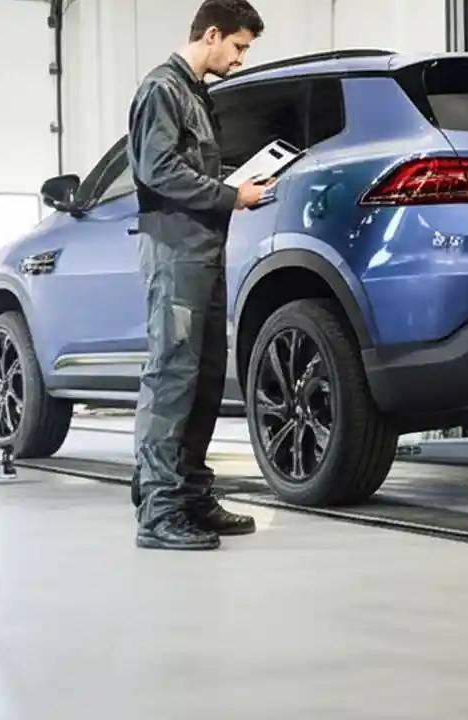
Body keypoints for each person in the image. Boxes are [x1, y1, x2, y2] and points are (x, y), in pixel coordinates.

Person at [126, 0, 273, 551]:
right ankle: (159, 513)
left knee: (205, 378)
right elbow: (158, 169)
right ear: (211, 34)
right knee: (172, 377)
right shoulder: (162, 90)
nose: (239, 60)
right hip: (175, 253)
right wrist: (233, 195)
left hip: (205, 252)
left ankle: (188, 495)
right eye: (237, 47)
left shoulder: (195, 93)